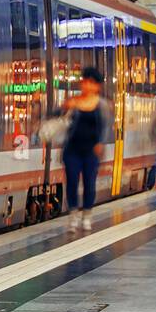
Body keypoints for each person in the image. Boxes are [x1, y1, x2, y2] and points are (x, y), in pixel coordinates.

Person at [61, 67, 112, 230]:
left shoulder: (102, 105)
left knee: (89, 182)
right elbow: (63, 121)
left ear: (97, 86)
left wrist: (101, 143)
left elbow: (106, 126)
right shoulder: (73, 102)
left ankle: (87, 215)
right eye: (84, 81)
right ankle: (73, 214)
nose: (86, 85)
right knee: (72, 182)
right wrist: (65, 108)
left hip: (91, 150)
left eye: (91, 82)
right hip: (72, 149)